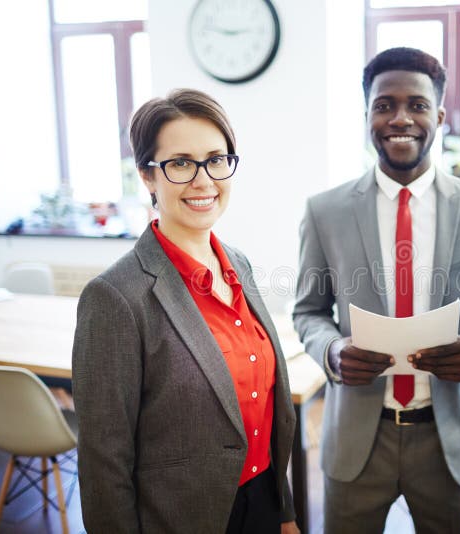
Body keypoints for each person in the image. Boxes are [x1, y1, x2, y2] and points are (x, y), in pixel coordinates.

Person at [293, 47, 460, 533]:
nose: (400, 118)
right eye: (384, 105)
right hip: (356, 440)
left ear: (440, 117)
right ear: (367, 116)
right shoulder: (325, 212)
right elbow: (308, 311)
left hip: (449, 440)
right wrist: (331, 351)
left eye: (417, 105)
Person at [73, 88, 299, 534]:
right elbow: (103, 462)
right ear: (147, 175)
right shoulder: (115, 297)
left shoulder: (238, 263)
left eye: (216, 159)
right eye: (180, 164)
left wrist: (285, 511)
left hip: (262, 502)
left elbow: (264, 412)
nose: (203, 180)